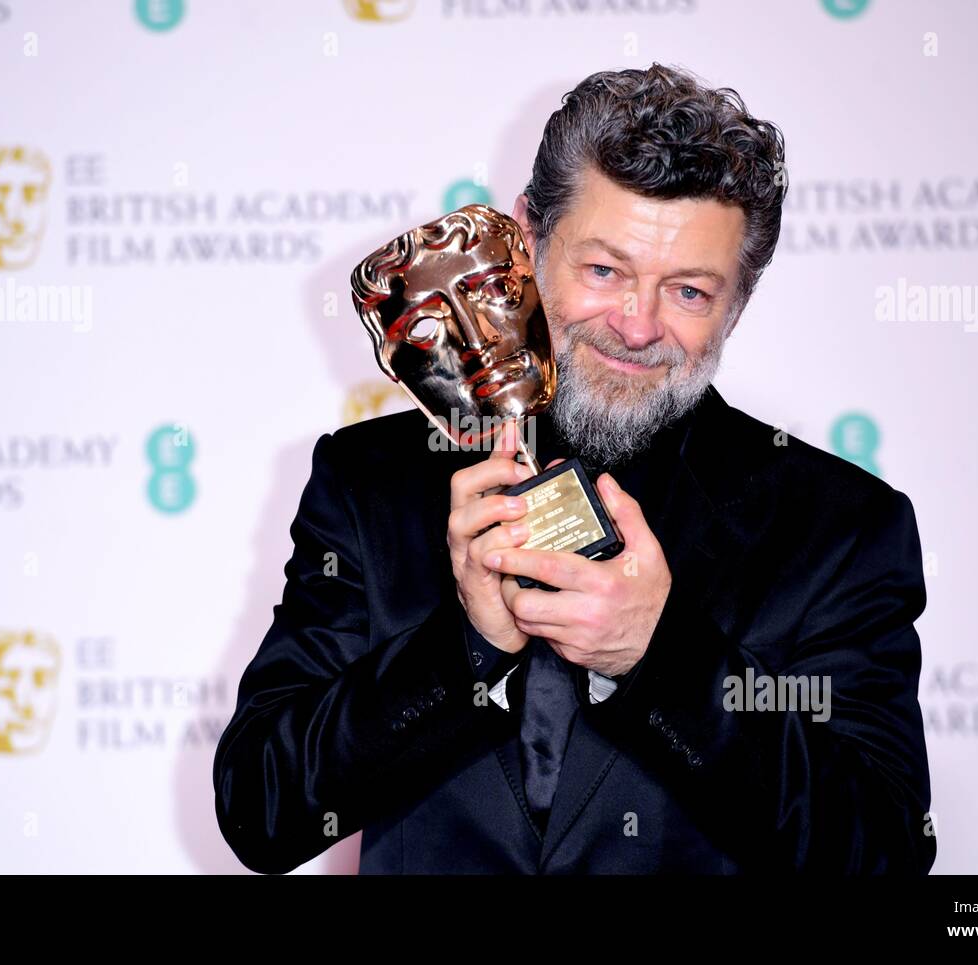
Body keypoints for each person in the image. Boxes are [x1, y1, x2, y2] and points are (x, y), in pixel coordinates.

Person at [212, 63, 936, 874]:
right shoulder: (370, 482)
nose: (636, 324)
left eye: (689, 292)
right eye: (604, 271)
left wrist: (659, 659)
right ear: (526, 239)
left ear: (738, 301)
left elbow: (882, 852)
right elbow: (260, 808)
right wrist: (466, 650)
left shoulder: (838, 526)